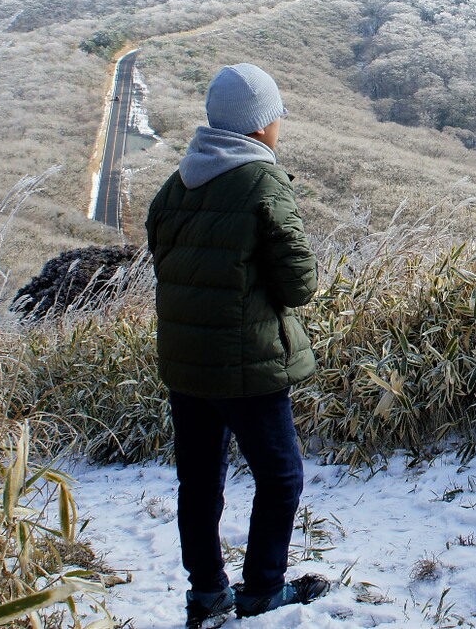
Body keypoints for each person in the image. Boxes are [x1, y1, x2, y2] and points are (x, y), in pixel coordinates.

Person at [145, 62, 330, 627]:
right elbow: (299, 283)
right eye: (275, 116)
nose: (279, 127)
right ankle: (262, 591)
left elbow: (168, 258)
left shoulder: (178, 185)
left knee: (199, 482)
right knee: (280, 477)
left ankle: (206, 596)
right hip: (246, 364)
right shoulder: (261, 181)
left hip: (187, 365)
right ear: (256, 126)